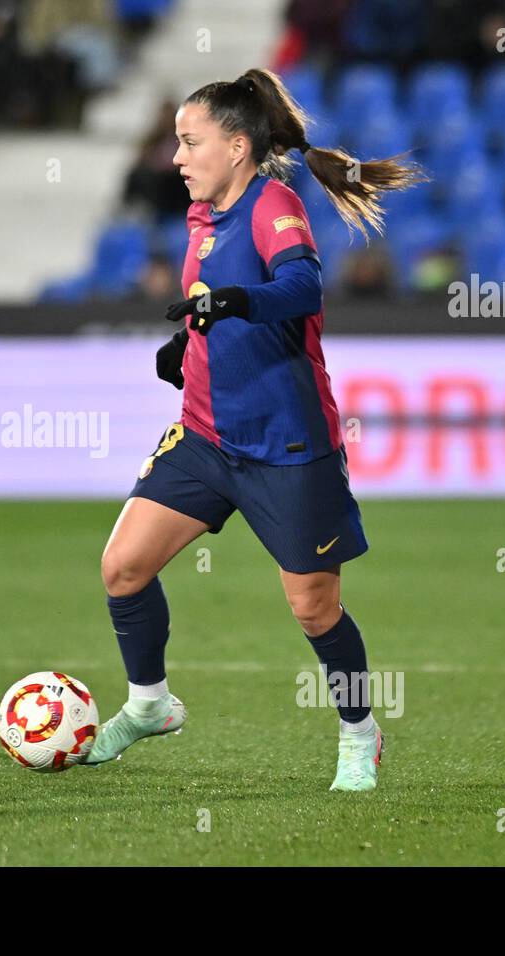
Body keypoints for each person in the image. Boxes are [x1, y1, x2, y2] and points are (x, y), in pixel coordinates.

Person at [89, 68, 423, 791]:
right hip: (206, 435)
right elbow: (209, 295)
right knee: (123, 568)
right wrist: (189, 344)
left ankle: (360, 732)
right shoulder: (200, 212)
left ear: (237, 146)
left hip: (288, 445)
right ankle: (149, 706)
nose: (176, 158)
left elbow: (303, 287)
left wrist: (236, 303)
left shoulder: (273, 204)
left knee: (313, 606)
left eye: (189, 142)